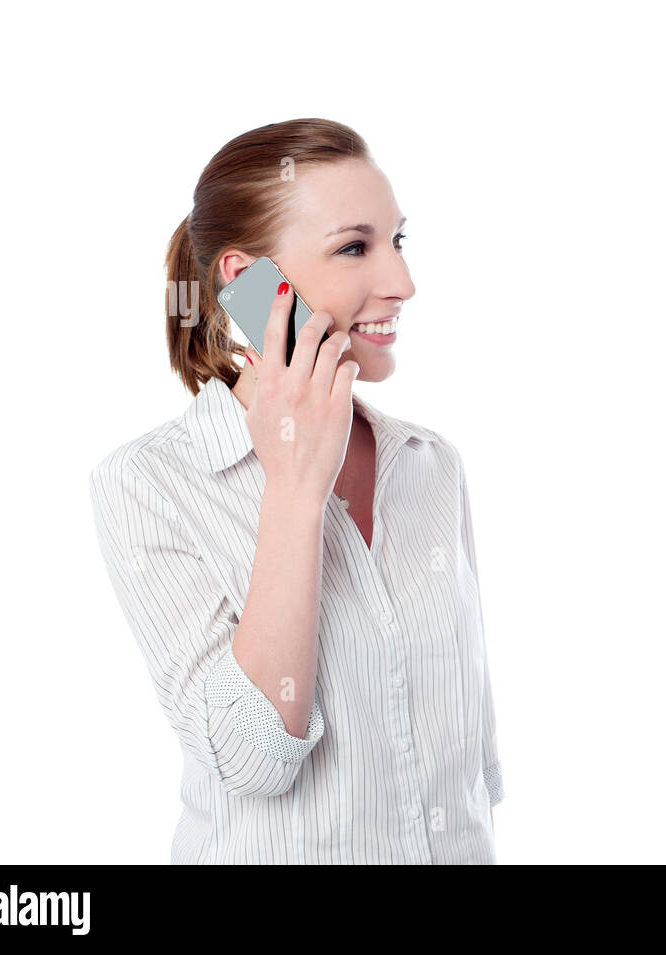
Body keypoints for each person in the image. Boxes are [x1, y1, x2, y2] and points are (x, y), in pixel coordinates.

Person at [88, 118, 503, 864]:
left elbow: (468, 774)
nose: (402, 283)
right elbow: (251, 760)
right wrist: (295, 490)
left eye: (397, 241)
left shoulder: (431, 464)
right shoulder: (149, 483)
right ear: (249, 283)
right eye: (354, 247)